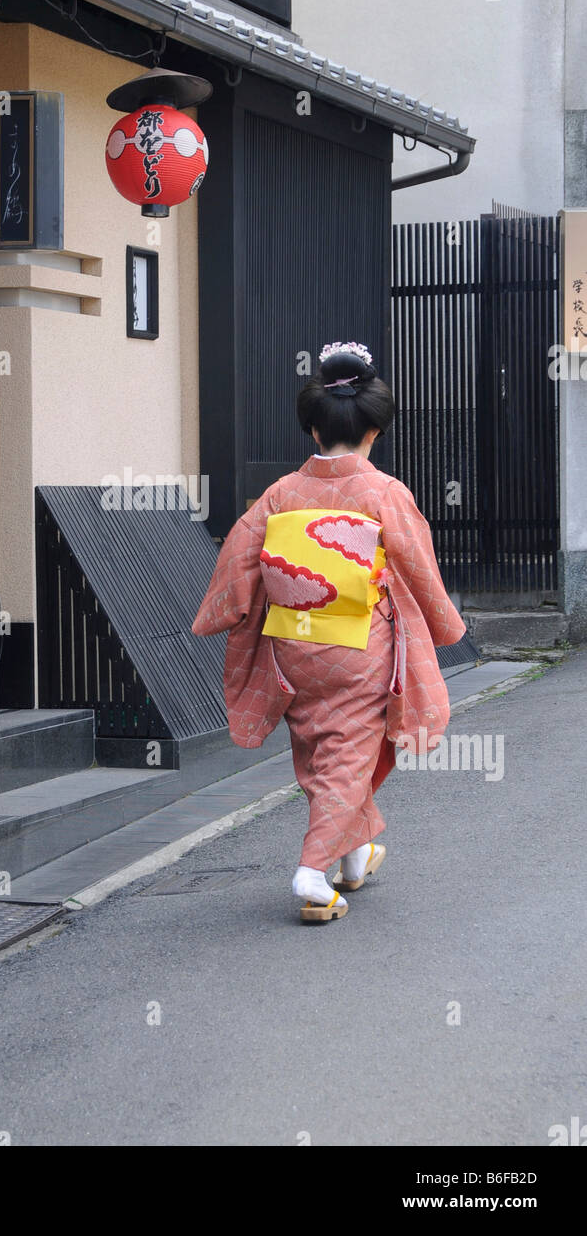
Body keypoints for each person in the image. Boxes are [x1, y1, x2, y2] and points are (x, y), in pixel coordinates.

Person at [191, 341, 465, 923]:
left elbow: (239, 562)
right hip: (359, 643)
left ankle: (356, 856)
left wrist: (225, 613)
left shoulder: (280, 495)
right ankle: (312, 875)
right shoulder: (383, 494)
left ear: (313, 432)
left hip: (292, 644)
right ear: (374, 432)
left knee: (326, 747)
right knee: (350, 750)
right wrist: (444, 623)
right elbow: (419, 568)